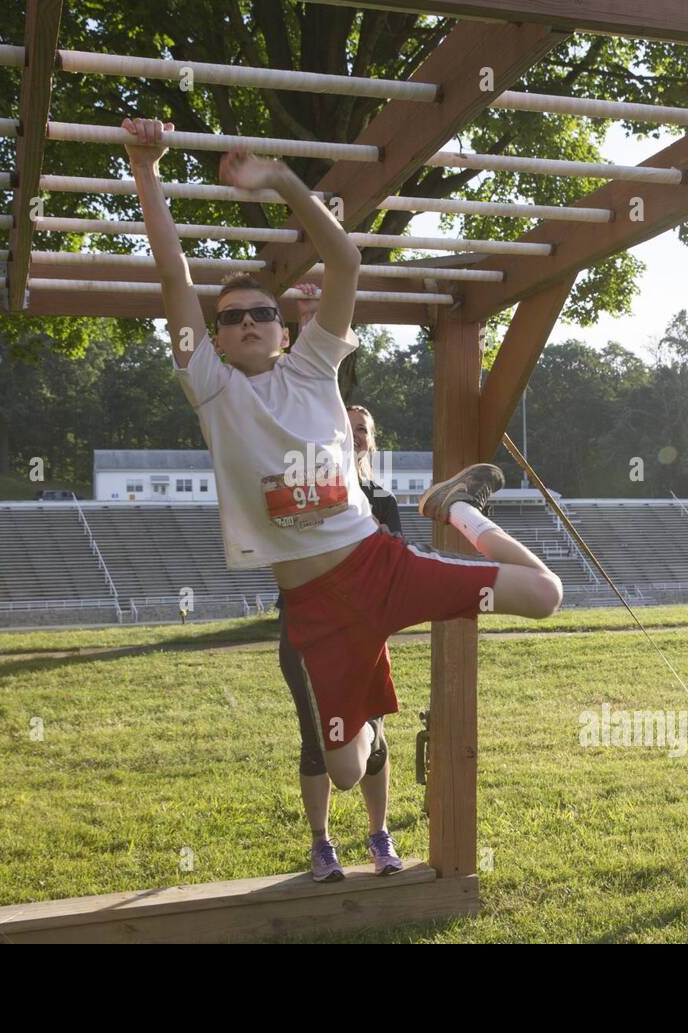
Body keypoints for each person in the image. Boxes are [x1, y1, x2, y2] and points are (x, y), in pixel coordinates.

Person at [124, 115, 562, 878]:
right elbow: (170, 277)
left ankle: (453, 511)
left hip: (379, 563)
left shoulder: (313, 367)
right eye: (230, 317)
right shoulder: (212, 390)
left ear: (283, 330)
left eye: (262, 311)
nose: (250, 321)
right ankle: (364, 709)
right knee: (348, 769)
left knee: (547, 593)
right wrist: (146, 172)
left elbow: (346, 263)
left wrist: (280, 179)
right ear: (215, 340)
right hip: (319, 611)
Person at [277, 361, 404, 878]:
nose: (353, 437)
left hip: (363, 637)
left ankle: (379, 836)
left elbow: (394, 573)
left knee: (373, 736)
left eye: (362, 431)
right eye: (345, 429)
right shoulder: (307, 491)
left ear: (372, 442)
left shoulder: (383, 501)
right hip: (306, 636)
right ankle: (321, 844)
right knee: (317, 741)